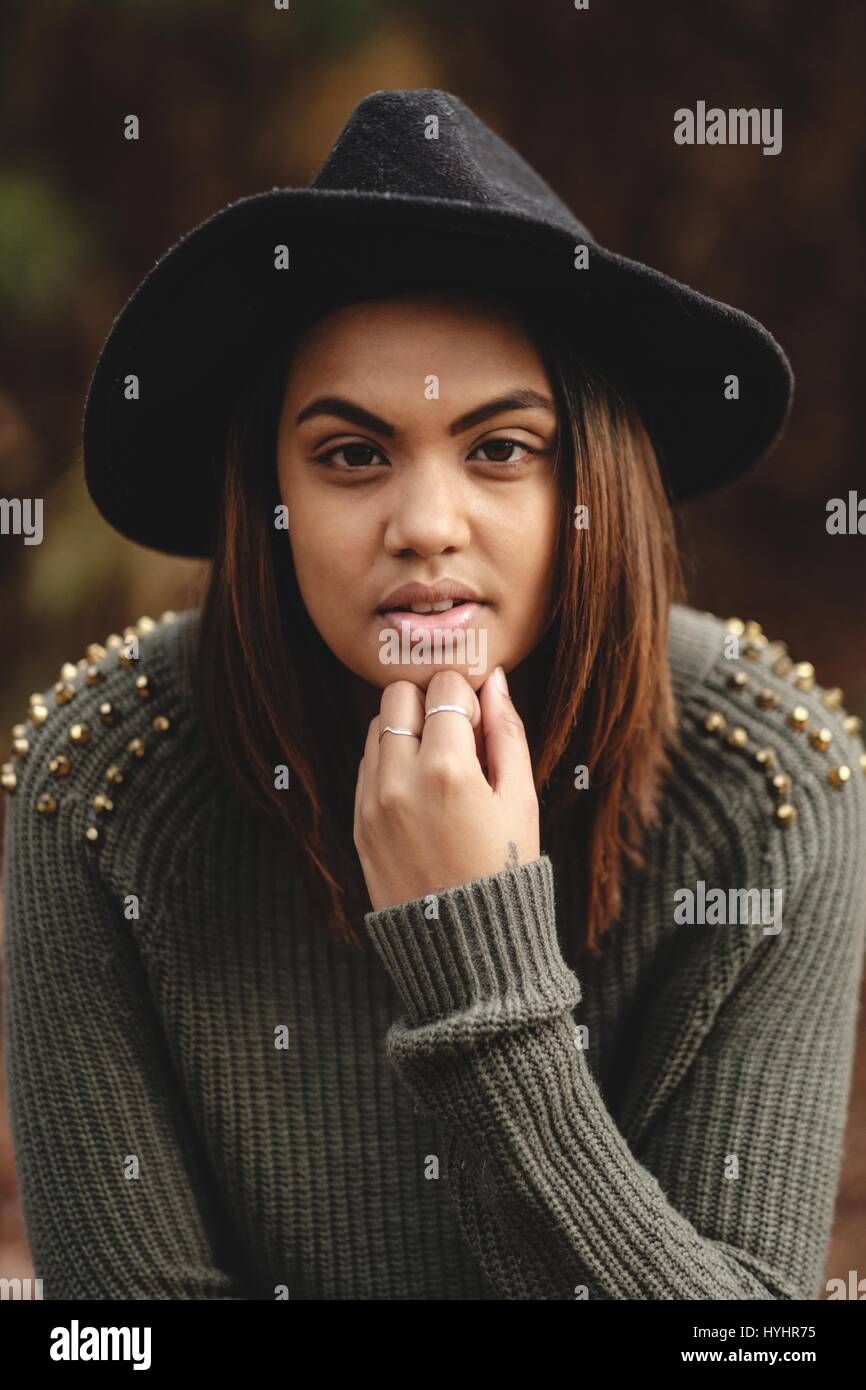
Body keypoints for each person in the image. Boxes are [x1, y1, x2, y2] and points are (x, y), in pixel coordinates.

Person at [3, 88, 866, 1302]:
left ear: (592, 479)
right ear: (269, 495)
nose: (423, 526)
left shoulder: (771, 784)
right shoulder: (105, 786)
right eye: (351, 454)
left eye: (500, 449)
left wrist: (480, 965)